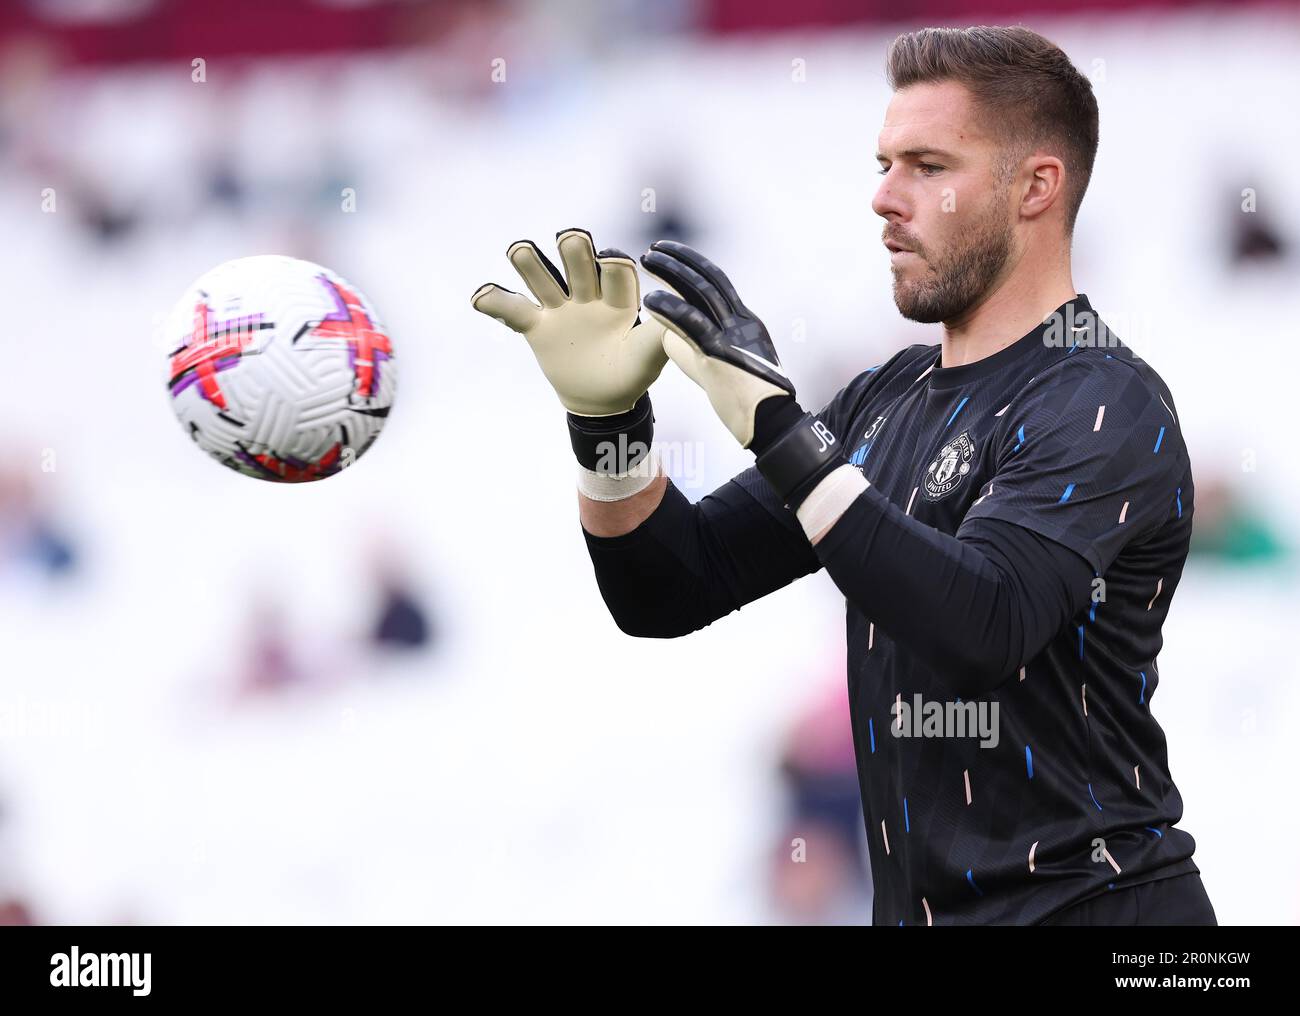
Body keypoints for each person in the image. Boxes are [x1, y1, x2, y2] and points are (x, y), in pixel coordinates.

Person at [472, 25, 1215, 927]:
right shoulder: (887, 398)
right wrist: (608, 428)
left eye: (928, 166)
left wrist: (780, 434)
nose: (883, 197)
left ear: (1036, 187)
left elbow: (983, 624)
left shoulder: (1105, 402)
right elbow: (669, 589)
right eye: (883, 163)